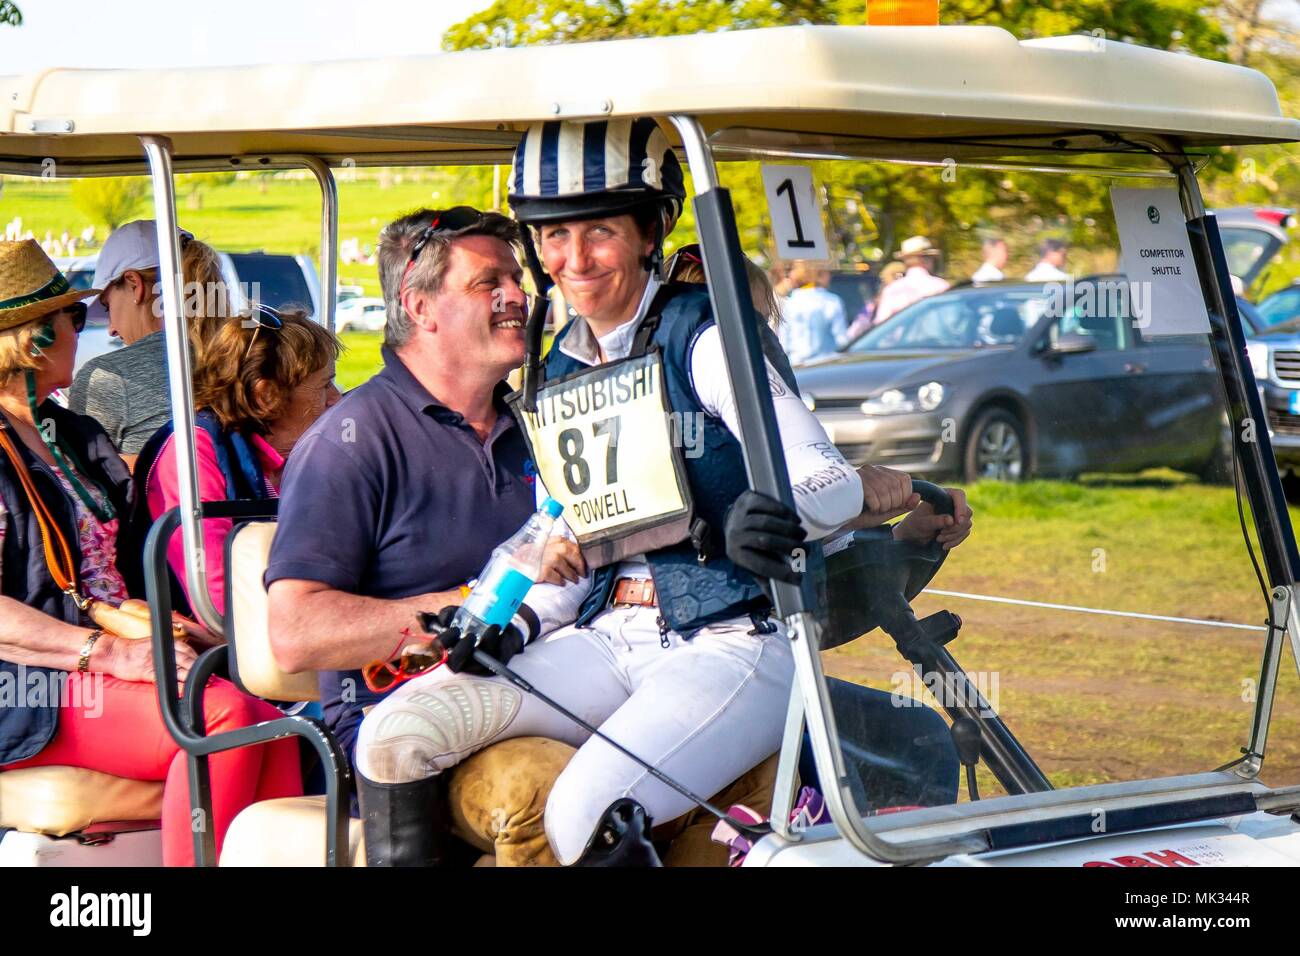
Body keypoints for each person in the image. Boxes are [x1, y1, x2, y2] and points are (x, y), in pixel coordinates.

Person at [351, 116, 865, 867]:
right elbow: (571, 544)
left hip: (734, 640)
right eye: (555, 237)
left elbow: (833, 481)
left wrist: (780, 514)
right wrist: (507, 619)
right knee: (394, 737)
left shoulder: (709, 338)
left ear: (652, 232)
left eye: (600, 233)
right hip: (606, 637)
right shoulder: (558, 366)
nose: (574, 259)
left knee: (581, 813)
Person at [264, 207, 587, 864]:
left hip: (552, 686)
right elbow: (296, 633)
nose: (518, 296)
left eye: (517, 277)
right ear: (421, 306)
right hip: (411, 732)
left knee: (748, 769)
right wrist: (485, 599)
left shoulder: (542, 428)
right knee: (549, 791)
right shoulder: (350, 444)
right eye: (487, 281)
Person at [0, 241, 301, 867]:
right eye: (72, 320)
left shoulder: (75, 435)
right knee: (222, 719)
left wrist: (167, 628)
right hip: (26, 686)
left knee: (277, 724)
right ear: (31, 341)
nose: (86, 332)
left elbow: (106, 575)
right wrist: (109, 652)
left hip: (95, 657)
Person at [133, 306, 341, 616]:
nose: (336, 398)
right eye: (324, 385)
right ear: (267, 395)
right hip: (226, 650)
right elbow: (215, 598)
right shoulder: (192, 453)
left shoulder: (299, 453)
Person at [68, 220, 226, 468]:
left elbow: (83, 493)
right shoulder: (245, 355)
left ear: (135, 284)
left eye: (108, 307)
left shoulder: (107, 377)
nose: (111, 329)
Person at [778, 261, 850, 364]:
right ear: (821, 274)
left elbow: (784, 341)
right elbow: (841, 339)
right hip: (826, 364)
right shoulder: (831, 301)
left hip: (796, 364)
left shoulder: (790, 303)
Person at [875, 236, 950, 324]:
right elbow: (951, 321)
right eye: (931, 258)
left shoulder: (891, 290)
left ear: (905, 261)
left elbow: (881, 324)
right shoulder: (941, 286)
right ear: (925, 259)